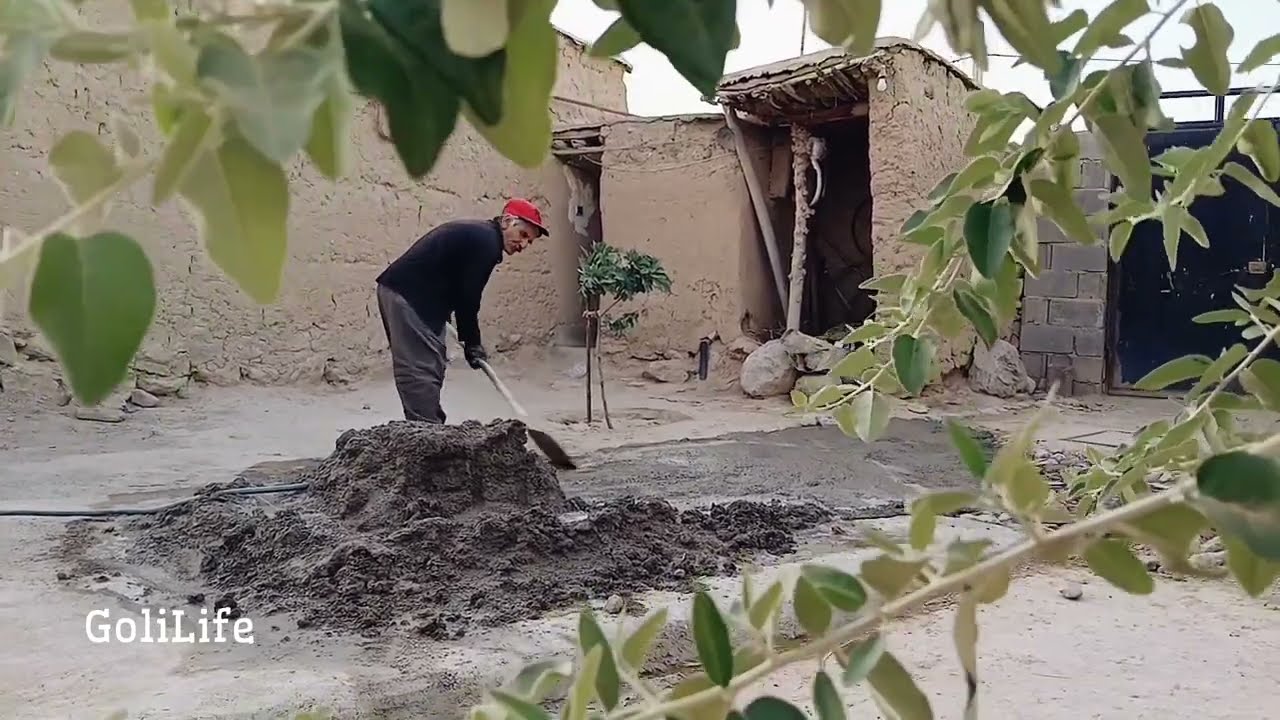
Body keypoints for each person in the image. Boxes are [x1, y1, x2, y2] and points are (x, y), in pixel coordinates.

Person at [375, 198, 548, 423]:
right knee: (421, 371)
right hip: (410, 296)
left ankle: (427, 429)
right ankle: (427, 434)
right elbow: (468, 298)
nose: (523, 245)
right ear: (507, 221)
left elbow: (458, 287)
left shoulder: (483, 236)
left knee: (431, 363)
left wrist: (468, 341)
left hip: (411, 295)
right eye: (523, 235)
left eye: (530, 242)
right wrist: (472, 342)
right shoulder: (486, 243)